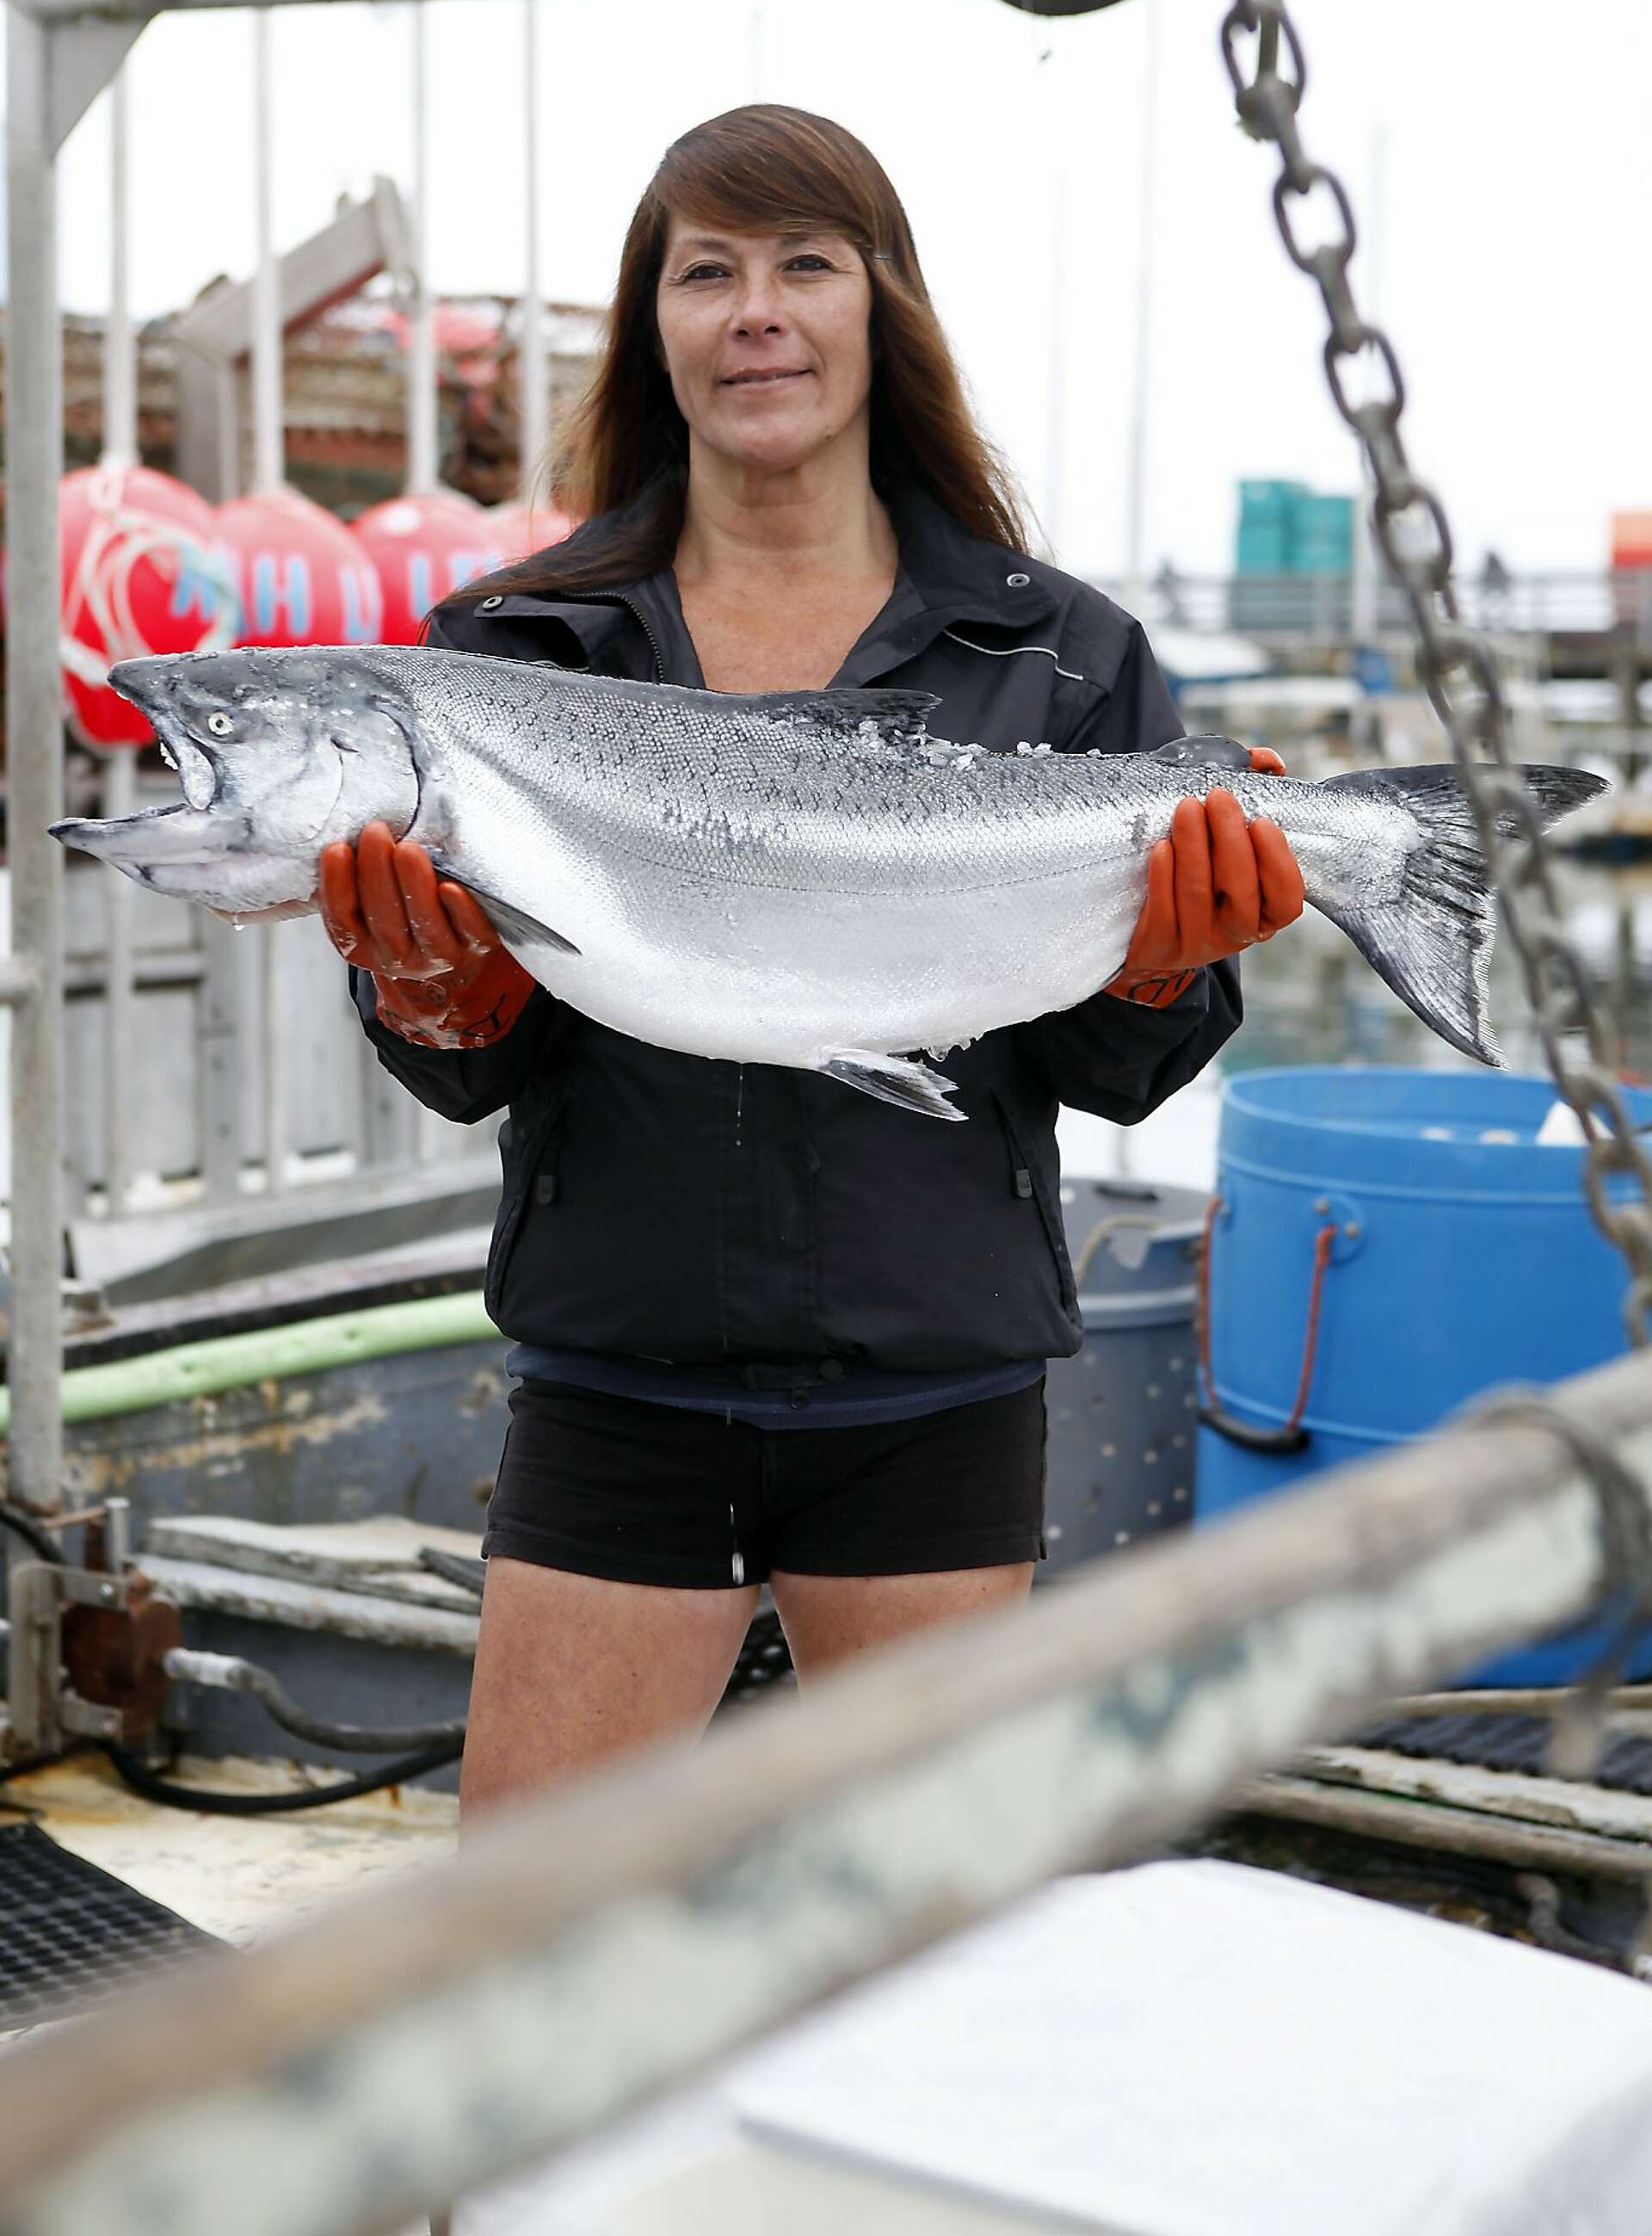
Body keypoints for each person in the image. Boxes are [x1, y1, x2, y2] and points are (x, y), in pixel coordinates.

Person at [318, 105, 1304, 1820]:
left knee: (931, 1951)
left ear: (881, 309)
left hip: (937, 1375)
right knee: (524, 1945)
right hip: (622, 1371)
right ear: (655, 329)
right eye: (707, 271)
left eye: (804, 264)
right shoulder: (512, 655)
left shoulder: (1059, 653)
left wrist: (1161, 974)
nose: (755, 309)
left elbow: (1113, 1069)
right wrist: (428, 997)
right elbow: (468, 1061)